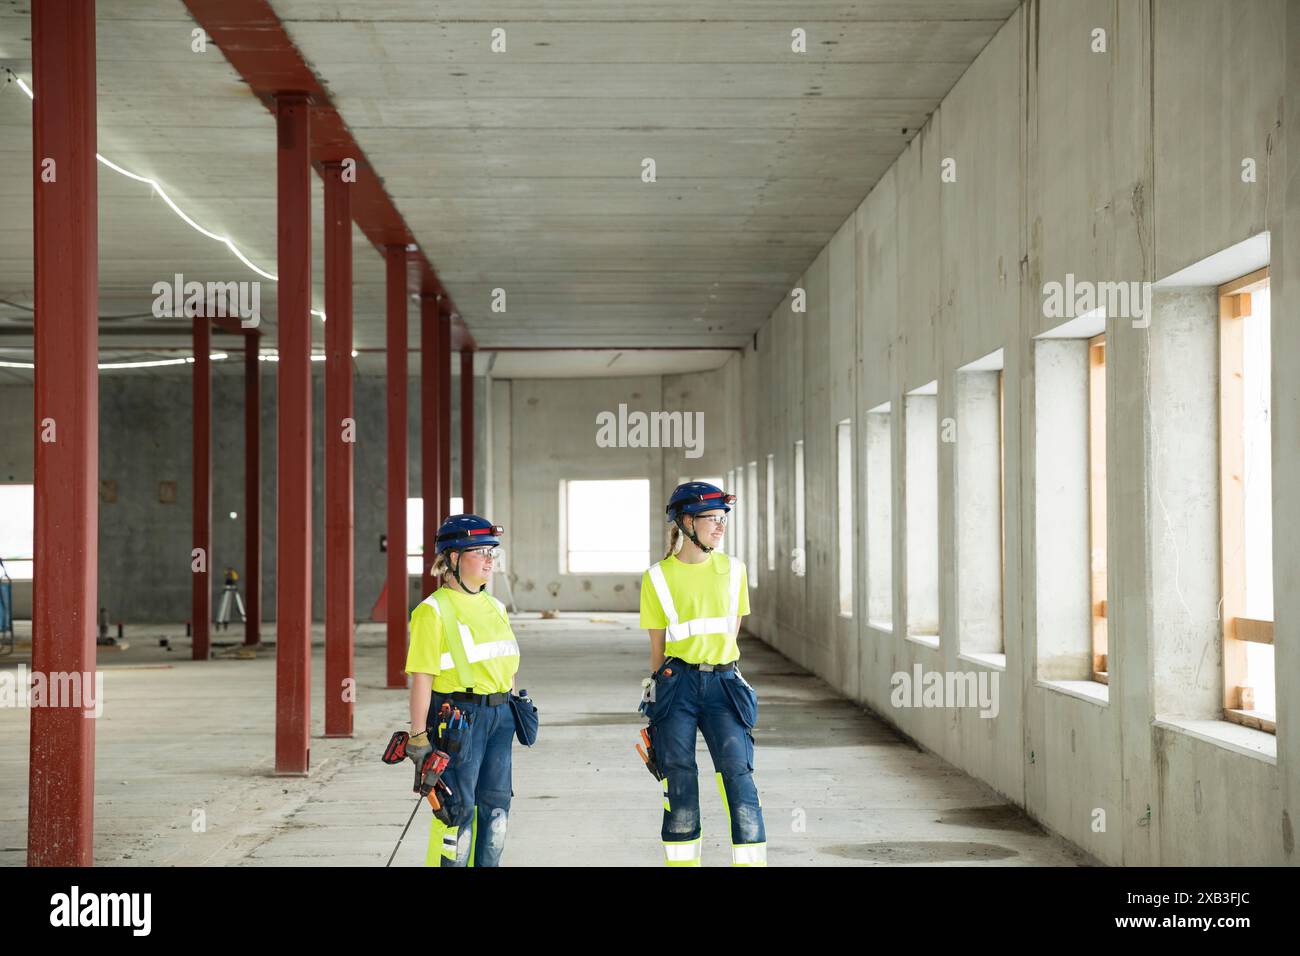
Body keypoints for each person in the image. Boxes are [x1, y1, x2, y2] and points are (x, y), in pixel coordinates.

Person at [638, 481, 766, 866]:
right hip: (676, 685)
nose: (720, 525)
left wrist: (717, 665)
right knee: (677, 778)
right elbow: (657, 650)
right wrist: (656, 701)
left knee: (738, 775)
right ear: (687, 522)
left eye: (723, 518)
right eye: (712, 517)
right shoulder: (657, 577)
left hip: (724, 684)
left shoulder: (734, 570)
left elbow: (731, 632)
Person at [403, 514, 520, 867]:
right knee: (456, 815)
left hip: (500, 718)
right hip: (459, 722)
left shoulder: (495, 606)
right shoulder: (432, 611)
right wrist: (419, 735)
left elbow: (507, 663)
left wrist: (513, 706)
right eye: (480, 552)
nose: (489, 560)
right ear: (452, 559)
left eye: (491, 552)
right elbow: (422, 676)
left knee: (496, 812)